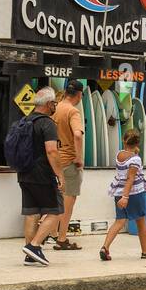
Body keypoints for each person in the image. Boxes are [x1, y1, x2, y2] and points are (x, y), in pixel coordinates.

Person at [18, 87, 64, 266]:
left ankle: (30, 254)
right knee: (56, 210)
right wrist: (60, 175)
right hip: (42, 175)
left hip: (24, 174)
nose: (55, 106)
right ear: (48, 104)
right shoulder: (47, 124)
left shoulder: (24, 121)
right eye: (54, 103)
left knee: (32, 213)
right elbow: (52, 151)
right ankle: (35, 246)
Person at [100, 129, 146, 261]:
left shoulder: (119, 154)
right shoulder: (136, 159)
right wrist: (126, 197)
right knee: (141, 221)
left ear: (124, 140)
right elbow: (130, 178)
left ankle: (105, 247)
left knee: (119, 221)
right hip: (133, 193)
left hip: (118, 191)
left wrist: (122, 195)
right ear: (138, 142)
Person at [52, 80, 86, 252]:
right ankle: (62, 238)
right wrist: (79, 158)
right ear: (79, 95)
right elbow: (78, 135)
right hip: (68, 161)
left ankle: (49, 231)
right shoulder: (73, 111)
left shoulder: (55, 108)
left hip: (54, 160)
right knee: (68, 202)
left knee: (54, 200)